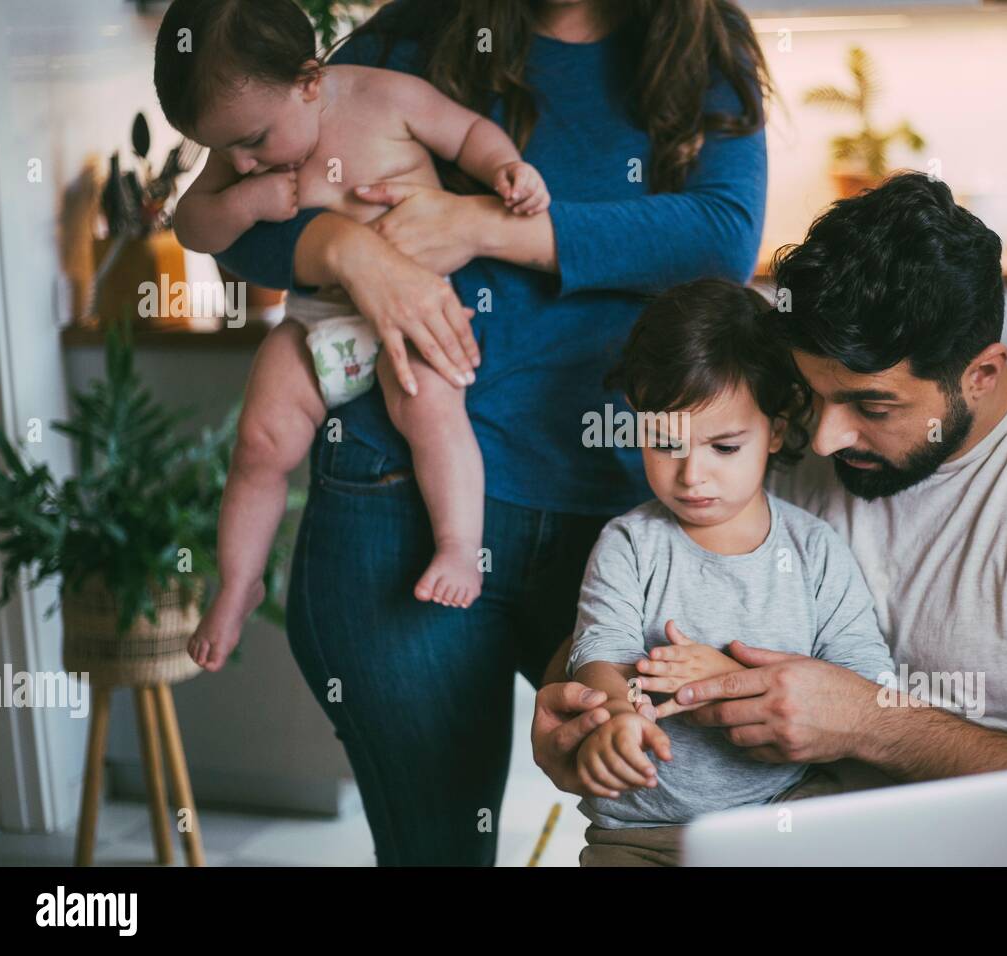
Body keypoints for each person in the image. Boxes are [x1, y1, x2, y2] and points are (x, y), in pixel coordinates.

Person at [213, 0, 772, 865]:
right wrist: (343, 248)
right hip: (392, 503)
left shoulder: (700, 41)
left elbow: (723, 238)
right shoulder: (415, 34)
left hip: (620, 512)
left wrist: (482, 225)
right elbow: (234, 214)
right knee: (436, 850)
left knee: (660, 835)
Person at [533, 172, 1007, 803]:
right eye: (810, 394)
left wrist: (870, 723)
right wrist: (575, 715)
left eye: (873, 409)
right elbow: (634, 594)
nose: (820, 441)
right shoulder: (761, 429)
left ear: (981, 373)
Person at [156, 0, 553, 673]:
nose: (244, 162)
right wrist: (242, 204)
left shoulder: (385, 96)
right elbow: (192, 225)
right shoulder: (242, 153)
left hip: (420, 313)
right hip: (319, 319)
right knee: (259, 441)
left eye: (253, 140)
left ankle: (459, 546)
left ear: (310, 80)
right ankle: (238, 582)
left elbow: (468, 134)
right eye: (226, 149)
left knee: (431, 409)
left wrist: (506, 170)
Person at [567, 279, 895, 866]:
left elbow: (863, 684)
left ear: (777, 427)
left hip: (783, 822)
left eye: (724, 447)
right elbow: (600, 650)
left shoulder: (815, 551)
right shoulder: (629, 545)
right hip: (640, 837)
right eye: (665, 444)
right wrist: (614, 716)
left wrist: (731, 677)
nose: (692, 476)